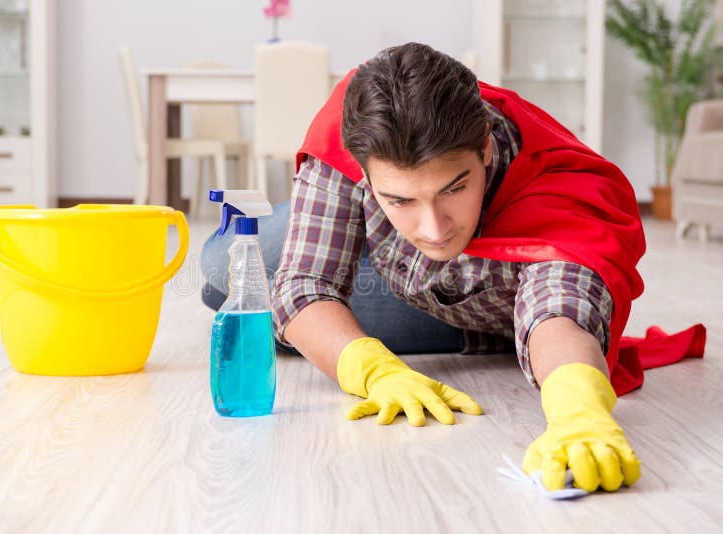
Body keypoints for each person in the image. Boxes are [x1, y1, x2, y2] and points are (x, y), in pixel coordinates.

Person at [200, 42, 700, 493]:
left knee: (247, 298)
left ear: (484, 148)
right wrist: (372, 371)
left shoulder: (561, 184)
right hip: (391, 265)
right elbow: (306, 281)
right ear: (363, 170)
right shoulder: (349, 134)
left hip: (483, 308)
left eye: (454, 189)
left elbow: (559, 309)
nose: (434, 227)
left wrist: (578, 407)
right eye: (399, 199)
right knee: (224, 264)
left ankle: (447, 330)